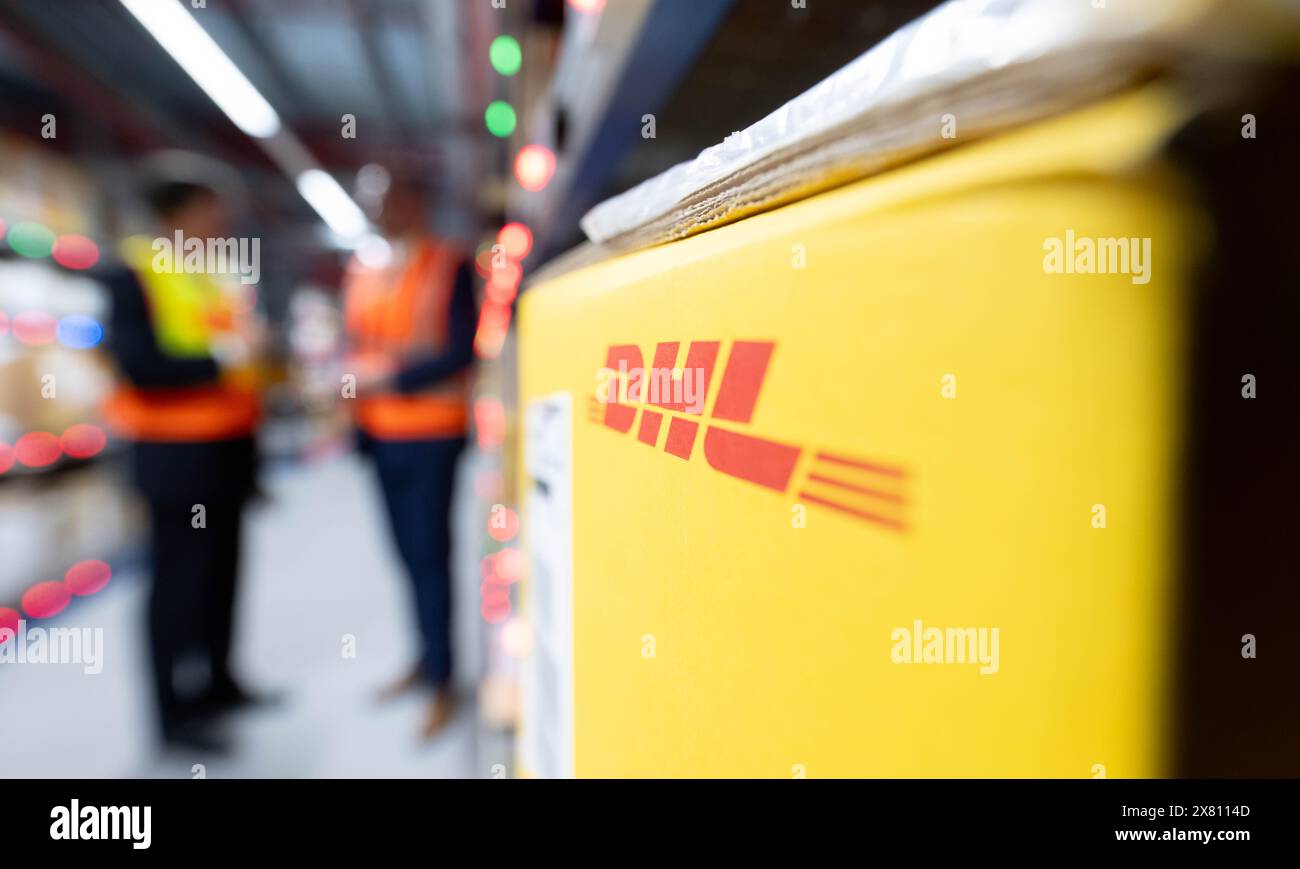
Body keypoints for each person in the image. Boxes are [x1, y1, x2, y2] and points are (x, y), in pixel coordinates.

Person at [101, 174, 265, 752]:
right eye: (207, 211)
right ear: (174, 215)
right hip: (174, 461)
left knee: (223, 574)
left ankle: (219, 683)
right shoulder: (135, 275)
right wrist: (223, 358)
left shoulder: (215, 277)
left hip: (226, 454)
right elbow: (141, 364)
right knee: (177, 585)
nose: (219, 224)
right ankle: (174, 718)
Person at [341, 175, 476, 739]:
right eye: (371, 202)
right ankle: (423, 661)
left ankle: (443, 677)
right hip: (380, 437)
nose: (379, 210)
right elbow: (358, 350)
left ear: (417, 200)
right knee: (405, 557)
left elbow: (460, 349)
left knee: (430, 557)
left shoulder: (450, 265)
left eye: (391, 198)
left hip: (431, 434)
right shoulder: (363, 271)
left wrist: (388, 378)